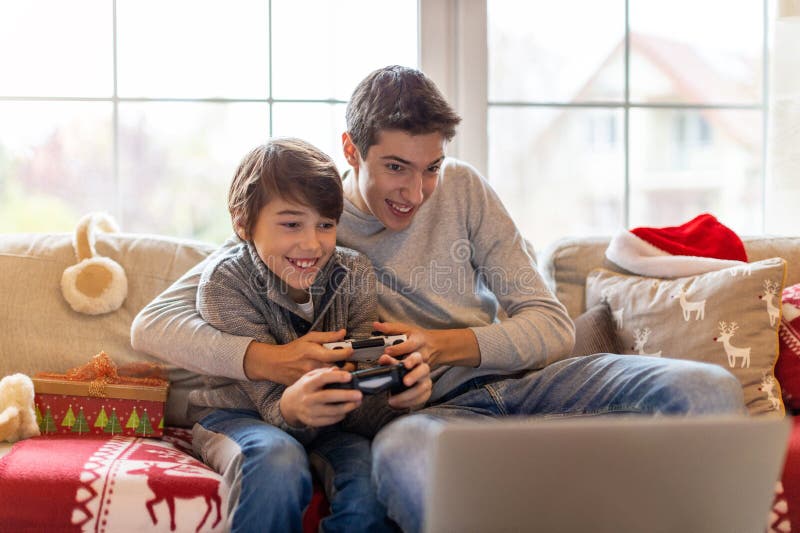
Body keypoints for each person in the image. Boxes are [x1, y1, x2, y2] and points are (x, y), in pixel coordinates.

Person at [133, 66, 746, 533]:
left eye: (431, 168)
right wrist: (276, 360)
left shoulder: (463, 192)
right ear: (351, 150)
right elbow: (156, 322)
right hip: (427, 418)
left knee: (705, 390)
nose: (417, 192)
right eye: (397, 167)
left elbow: (550, 326)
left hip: (528, 384)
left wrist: (441, 345)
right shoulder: (309, 223)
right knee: (406, 464)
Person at [174, 137, 431, 532]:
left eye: (325, 225)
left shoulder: (355, 273)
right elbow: (270, 404)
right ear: (243, 223)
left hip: (331, 424)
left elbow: (360, 396)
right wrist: (294, 410)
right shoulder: (224, 283)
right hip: (236, 415)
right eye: (292, 223)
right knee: (278, 461)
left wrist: (397, 397)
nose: (312, 244)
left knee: (368, 482)